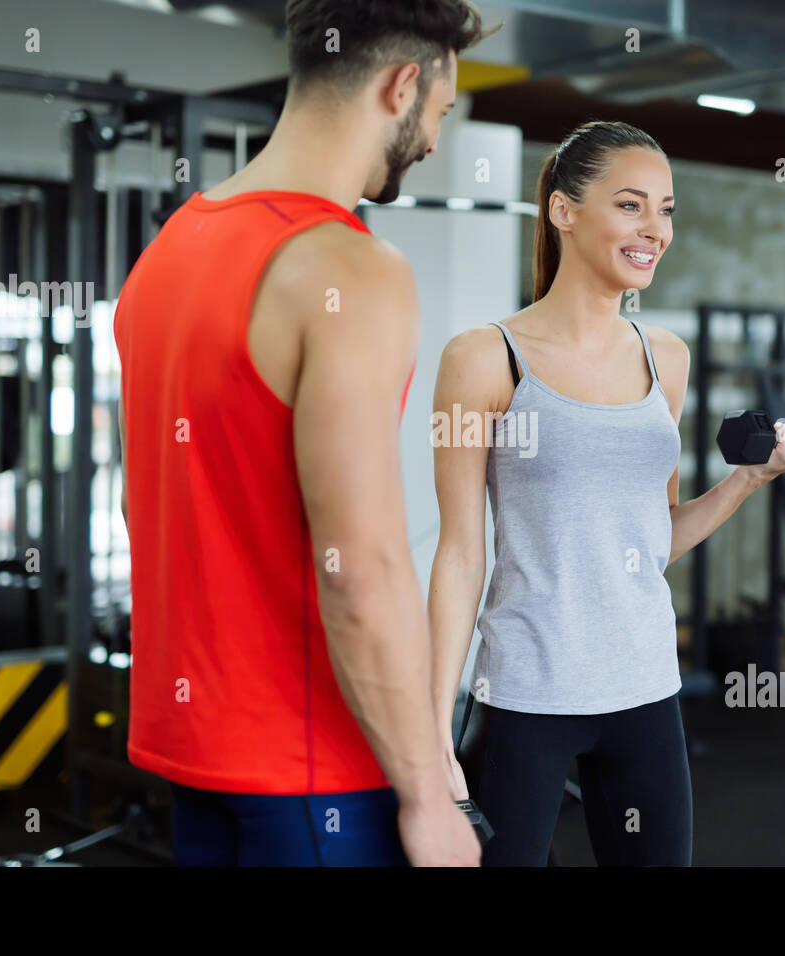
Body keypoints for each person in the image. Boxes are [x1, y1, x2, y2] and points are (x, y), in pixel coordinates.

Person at [113, 0, 492, 866]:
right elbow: (361, 568)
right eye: (440, 111)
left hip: (199, 761)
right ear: (403, 85)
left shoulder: (166, 254)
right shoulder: (350, 266)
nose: (434, 140)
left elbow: (147, 510)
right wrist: (430, 799)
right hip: (318, 775)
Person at [428, 120, 785, 866]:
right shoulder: (484, 358)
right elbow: (459, 554)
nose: (655, 229)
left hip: (645, 690)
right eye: (632, 205)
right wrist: (429, 740)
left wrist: (751, 478)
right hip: (528, 693)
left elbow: (655, 540)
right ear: (564, 211)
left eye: (667, 209)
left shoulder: (663, 358)